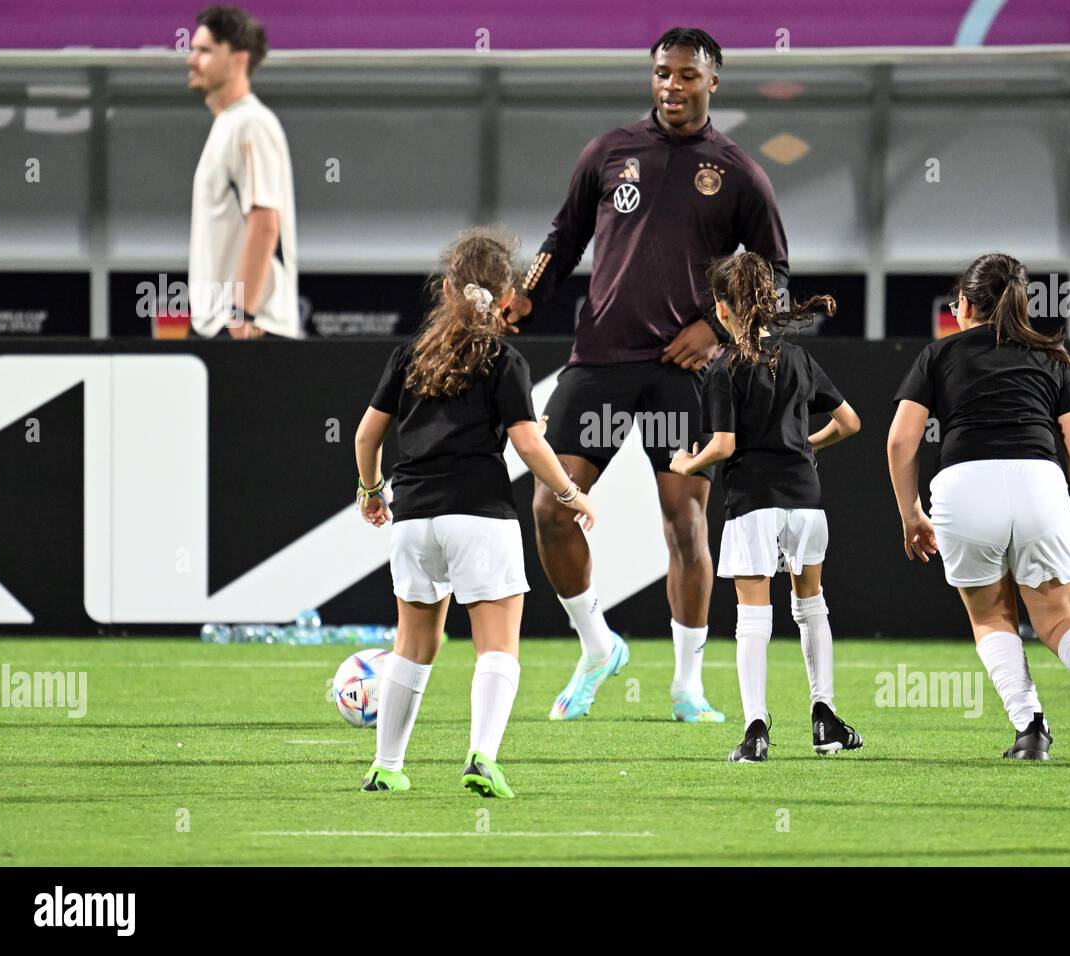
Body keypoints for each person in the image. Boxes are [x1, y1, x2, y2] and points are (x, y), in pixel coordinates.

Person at [506, 27, 790, 723]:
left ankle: (687, 685)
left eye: (687, 76)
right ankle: (596, 644)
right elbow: (561, 238)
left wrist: (720, 328)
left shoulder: (739, 171)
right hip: (600, 359)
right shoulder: (609, 153)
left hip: (684, 372)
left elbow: (777, 279)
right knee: (550, 508)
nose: (672, 86)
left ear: (712, 82)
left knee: (686, 522)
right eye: (663, 73)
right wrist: (525, 291)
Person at [353, 229, 597, 798]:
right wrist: (570, 493)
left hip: (412, 519)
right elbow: (529, 444)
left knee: (412, 647)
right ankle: (482, 757)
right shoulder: (504, 359)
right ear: (506, 296)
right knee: (496, 645)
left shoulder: (407, 355)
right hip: (479, 517)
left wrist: (370, 492)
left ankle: (386, 767)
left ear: (445, 289)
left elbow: (367, 435)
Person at [886, 252, 1070, 760]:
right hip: (1038, 483)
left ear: (963, 305)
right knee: (1059, 617)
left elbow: (900, 443)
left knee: (990, 619)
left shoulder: (939, 355)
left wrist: (911, 514)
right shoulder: (1050, 355)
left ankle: (1031, 729)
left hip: (964, 486)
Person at [671, 253, 863, 761]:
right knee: (811, 606)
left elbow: (725, 445)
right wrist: (806, 447)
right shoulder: (798, 358)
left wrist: (687, 465)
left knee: (753, 618)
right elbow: (850, 423)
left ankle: (756, 731)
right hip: (805, 500)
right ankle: (825, 721)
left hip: (752, 501)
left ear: (722, 309)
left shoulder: (723, 369)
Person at [186, 5, 299, 339]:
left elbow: (265, 223)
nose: (191, 59)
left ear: (239, 59)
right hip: (224, 324)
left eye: (204, 50)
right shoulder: (229, 124)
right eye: (192, 49)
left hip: (250, 327)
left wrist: (240, 314)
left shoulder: (251, 124)